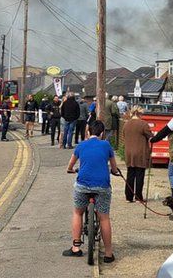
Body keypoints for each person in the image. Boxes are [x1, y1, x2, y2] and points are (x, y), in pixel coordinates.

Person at [64, 121, 120, 263]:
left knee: (78, 212)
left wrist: (71, 170)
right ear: (102, 134)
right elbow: (114, 167)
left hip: (83, 185)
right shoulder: (106, 145)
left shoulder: (81, 145)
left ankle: (75, 247)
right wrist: (114, 172)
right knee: (104, 218)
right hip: (102, 187)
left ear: (88, 132)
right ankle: (108, 254)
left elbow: (70, 165)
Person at [121, 106, 153, 203]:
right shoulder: (143, 124)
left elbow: (124, 135)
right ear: (139, 114)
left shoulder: (126, 125)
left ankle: (129, 196)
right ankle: (138, 196)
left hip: (129, 152)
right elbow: (150, 136)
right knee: (140, 174)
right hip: (140, 152)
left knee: (130, 174)